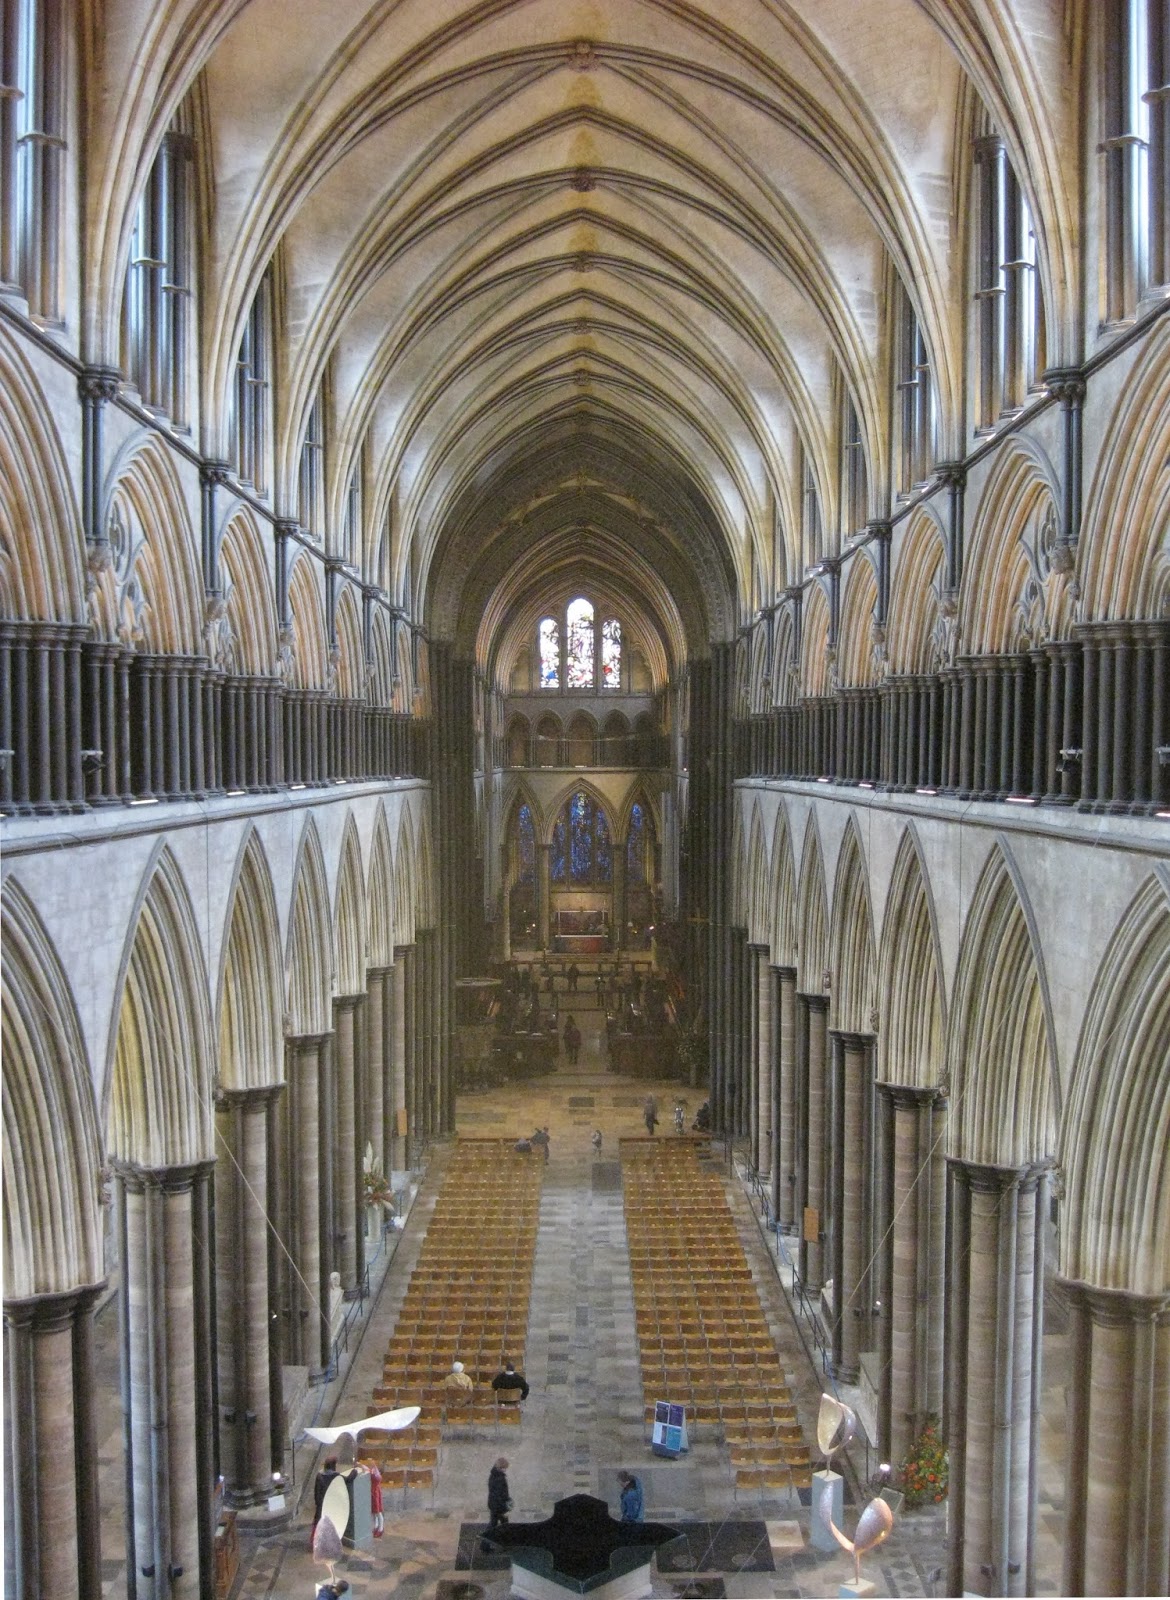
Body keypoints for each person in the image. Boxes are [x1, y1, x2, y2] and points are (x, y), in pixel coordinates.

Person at [310, 1454, 340, 1549]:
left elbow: (316, 1492)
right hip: (330, 1504)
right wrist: (355, 1470)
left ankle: (314, 1542)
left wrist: (318, 1503)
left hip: (321, 1504)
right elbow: (348, 1479)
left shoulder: (319, 1475)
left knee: (318, 1523)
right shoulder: (336, 1476)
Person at [358, 1456, 384, 1538]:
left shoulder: (377, 1476)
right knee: (373, 1512)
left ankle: (380, 1528)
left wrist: (365, 1466)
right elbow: (368, 1470)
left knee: (378, 1512)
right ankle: (375, 1526)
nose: (372, 1464)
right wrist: (361, 1465)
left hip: (376, 1494)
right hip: (372, 1493)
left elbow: (373, 1474)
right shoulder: (373, 1472)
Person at [487, 1456, 512, 1533]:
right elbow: (500, 1495)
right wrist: (505, 1509)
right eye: (504, 1468)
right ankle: (506, 1542)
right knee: (505, 1526)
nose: (505, 1470)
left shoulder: (493, 1475)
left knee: (492, 1525)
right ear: (501, 1467)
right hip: (500, 1507)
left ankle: (484, 1544)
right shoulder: (500, 1478)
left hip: (494, 1505)